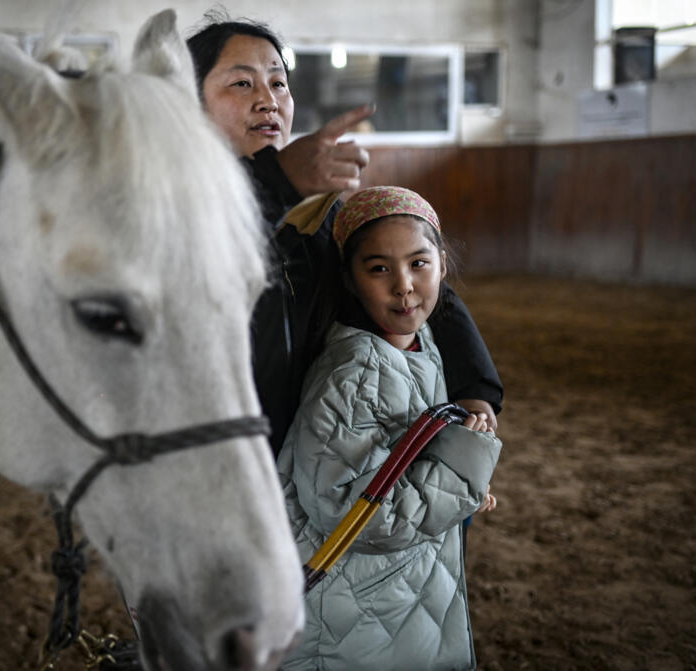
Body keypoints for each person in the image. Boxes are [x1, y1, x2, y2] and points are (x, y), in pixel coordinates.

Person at [186, 15, 503, 454]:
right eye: (242, 84)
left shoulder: (321, 209)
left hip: (317, 459)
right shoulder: (172, 210)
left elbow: (425, 289)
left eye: (279, 84)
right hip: (220, 460)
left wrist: (475, 386)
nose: (268, 101)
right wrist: (276, 180)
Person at [276, 186, 501, 670]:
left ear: (442, 263)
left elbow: (415, 463)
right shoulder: (354, 374)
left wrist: (456, 477)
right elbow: (354, 517)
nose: (403, 285)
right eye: (379, 269)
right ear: (351, 281)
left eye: (418, 263)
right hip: (354, 618)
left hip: (392, 599)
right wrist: (460, 478)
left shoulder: (421, 343)